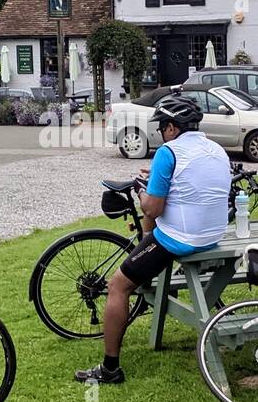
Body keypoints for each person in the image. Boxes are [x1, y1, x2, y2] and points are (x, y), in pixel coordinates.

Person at [75, 95, 231, 385]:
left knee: (117, 286)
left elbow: (152, 209)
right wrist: (158, 180)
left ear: (172, 128)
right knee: (151, 233)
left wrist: (142, 189)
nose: (161, 133)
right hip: (214, 234)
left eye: (162, 128)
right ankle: (145, 270)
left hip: (181, 239)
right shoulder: (216, 149)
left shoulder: (168, 152)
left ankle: (109, 369)